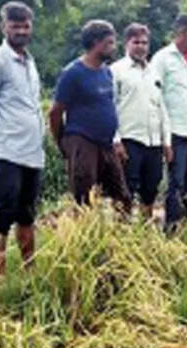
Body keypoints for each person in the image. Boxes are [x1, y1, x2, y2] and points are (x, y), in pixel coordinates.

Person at [0, 2, 45, 275]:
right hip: (4, 151)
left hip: (31, 152)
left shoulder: (29, 62)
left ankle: (29, 271)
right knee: (1, 214)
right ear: (3, 27)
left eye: (25, 26)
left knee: (27, 214)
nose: (21, 31)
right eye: (15, 26)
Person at [50, 20, 129, 212]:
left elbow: (109, 106)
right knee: (84, 199)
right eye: (109, 43)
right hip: (83, 141)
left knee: (123, 198)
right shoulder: (73, 73)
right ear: (95, 43)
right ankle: (84, 238)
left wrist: (116, 141)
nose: (113, 47)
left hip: (106, 143)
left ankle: (121, 238)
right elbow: (55, 112)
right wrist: (64, 143)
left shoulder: (106, 72)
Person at [152, 13, 187, 232]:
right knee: (176, 182)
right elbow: (157, 99)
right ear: (183, 32)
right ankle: (172, 229)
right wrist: (165, 139)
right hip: (176, 132)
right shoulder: (163, 59)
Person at [112, 23, 172, 221]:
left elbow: (161, 106)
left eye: (145, 42)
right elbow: (110, 107)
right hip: (129, 139)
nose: (141, 46)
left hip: (153, 141)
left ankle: (146, 233)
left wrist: (167, 141)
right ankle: (123, 234)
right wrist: (116, 140)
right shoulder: (116, 71)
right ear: (126, 44)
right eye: (136, 42)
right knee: (125, 189)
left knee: (151, 188)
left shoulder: (153, 72)